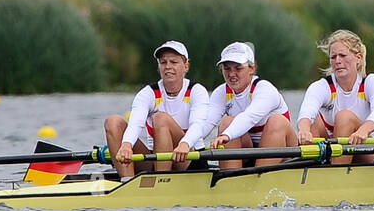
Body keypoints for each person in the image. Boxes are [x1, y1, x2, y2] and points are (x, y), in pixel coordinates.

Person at [103, 41, 209, 179]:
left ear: (186, 66)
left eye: (174, 62)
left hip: (190, 158)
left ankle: (162, 182)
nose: (168, 66)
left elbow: (198, 125)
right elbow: (135, 123)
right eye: (163, 62)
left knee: (160, 118)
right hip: (156, 159)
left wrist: (185, 143)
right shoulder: (148, 93)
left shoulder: (196, 91)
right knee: (113, 122)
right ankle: (127, 183)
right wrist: (126, 145)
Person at [297, 29, 374, 166]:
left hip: (369, 151)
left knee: (344, 117)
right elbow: (307, 111)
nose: (337, 61)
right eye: (333, 57)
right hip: (333, 147)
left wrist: (363, 130)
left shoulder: (372, 82)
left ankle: (336, 174)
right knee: (312, 120)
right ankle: (312, 171)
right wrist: (304, 131)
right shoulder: (322, 86)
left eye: (343, 55)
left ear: (358, 58)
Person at [201, 42, 295, 169]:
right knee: (227, 122)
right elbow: (206, 123)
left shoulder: (265, 89)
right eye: (227, 68)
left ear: (252, 68)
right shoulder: (221, 92)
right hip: (249, 150)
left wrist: (226, 135)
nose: (231, 74)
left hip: (284, 151)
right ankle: (229, 181)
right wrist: (186, 142)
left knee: (276, 121)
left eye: (238, 68)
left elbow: (249, 117)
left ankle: (261, 178)